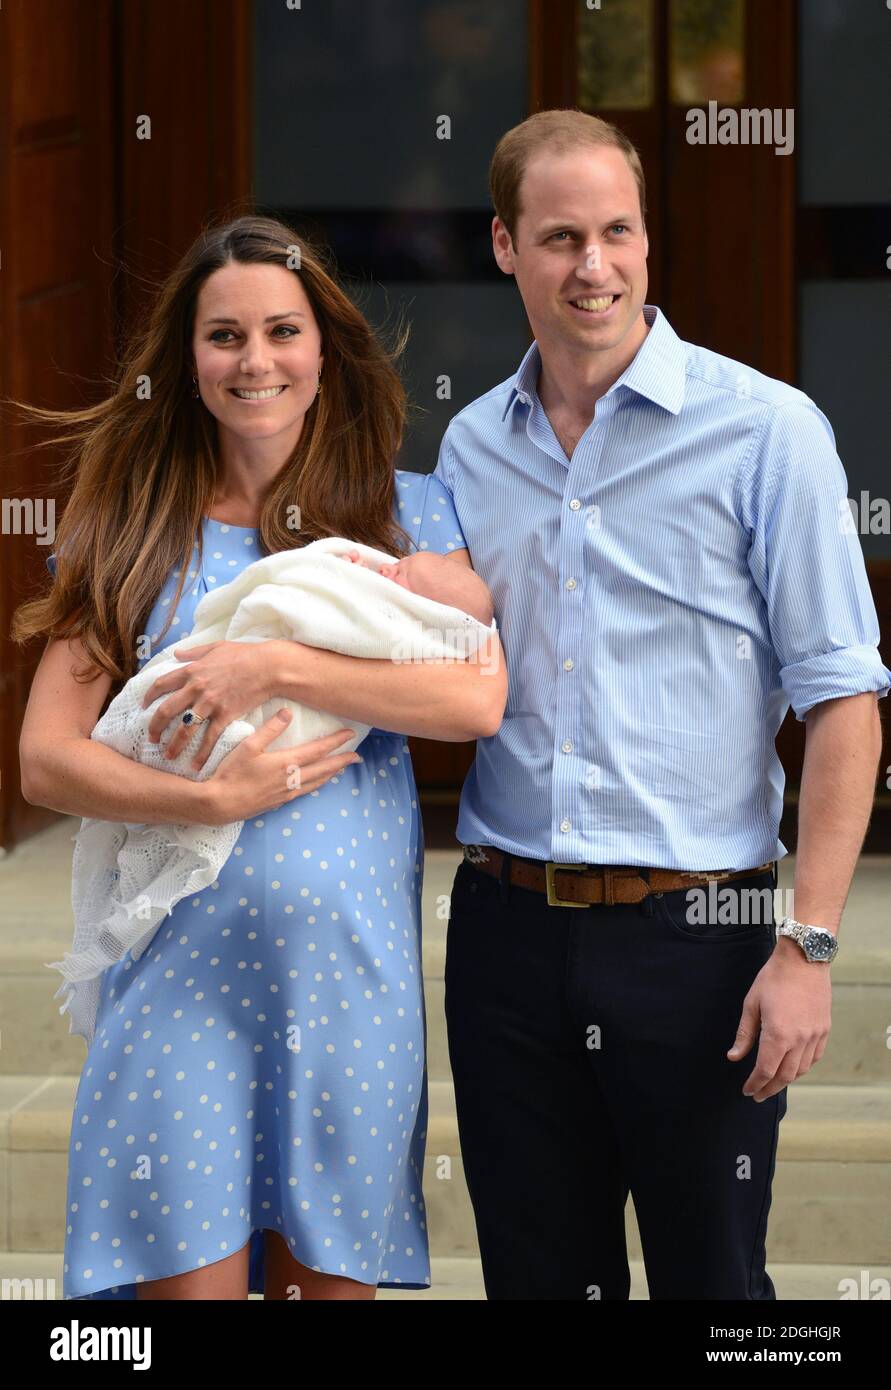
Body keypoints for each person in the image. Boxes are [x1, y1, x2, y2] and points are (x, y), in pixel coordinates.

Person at [436, 109, 890, 1300]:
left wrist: (811, 942)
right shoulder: (473, 446)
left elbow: (846, 700)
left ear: (648, 240)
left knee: (717, 1290)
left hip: (700, 940)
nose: (595, 265)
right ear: (505, 247)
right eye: (560, 237)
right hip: (507, 931)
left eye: (618, 232)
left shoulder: (768, 432)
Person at [14, 213, 506, 1301]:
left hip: (348, 991)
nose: (256, 361)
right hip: (179, 993)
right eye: (224, 336)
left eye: (282, 331)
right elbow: (44, 759)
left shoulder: (405, 517)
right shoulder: (134, 526)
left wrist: (277, 669)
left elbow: (474, 693)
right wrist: (208, 798)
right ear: (186, 363)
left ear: (323, 348)